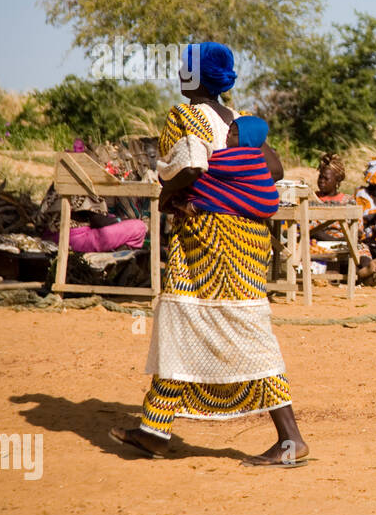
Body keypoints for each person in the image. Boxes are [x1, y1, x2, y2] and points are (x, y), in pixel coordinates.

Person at [109, 42, 307, 466]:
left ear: (199, 77)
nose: (180, 72)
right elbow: (273, 169)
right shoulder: (237, 120)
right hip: (247, 236)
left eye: (186, 67)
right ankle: (154, 429)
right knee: (197, 320)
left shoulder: (184, 116)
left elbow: (191, 165)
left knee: (224, 323)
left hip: (209, 234)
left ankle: (290, 437)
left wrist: (169, 195)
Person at [39, 142, 148, 254]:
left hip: (51, 236)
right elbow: (99, 220)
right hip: (75, 240)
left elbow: (41, 217)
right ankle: (121, 249)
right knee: (138, 227)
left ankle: (120, 247)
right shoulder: (84, 185)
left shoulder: (61, 181)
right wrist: (120, 221)